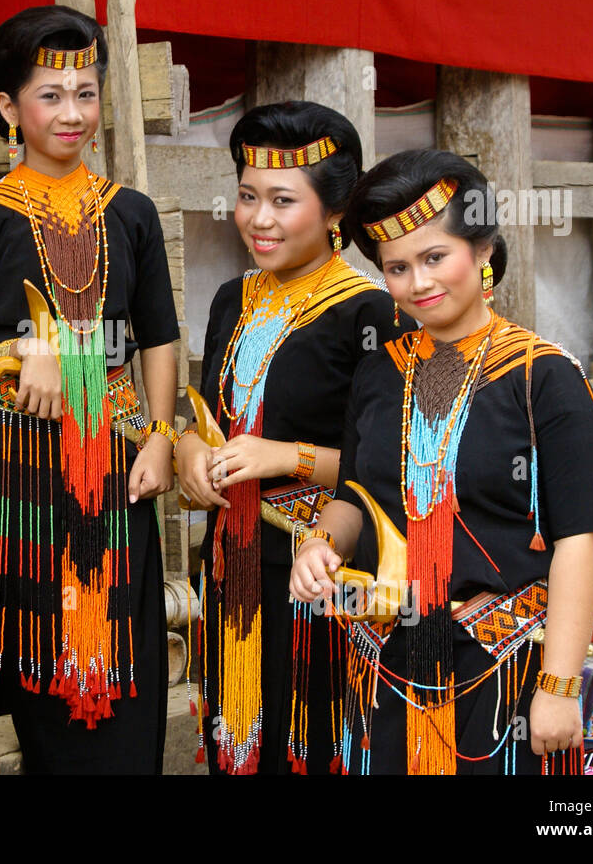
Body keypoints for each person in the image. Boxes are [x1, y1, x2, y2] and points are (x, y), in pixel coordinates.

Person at [290, 149, 593, 775]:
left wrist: (559, 685)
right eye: (398, 268)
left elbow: (578, 539)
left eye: (436, 257)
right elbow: (356, 495)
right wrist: (320, 543)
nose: (418, 284)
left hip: (504, 669)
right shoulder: (380, 373)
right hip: (389, 660)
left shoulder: (545, 379)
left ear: (483, 249)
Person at [0, 5, 179, 773]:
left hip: (118, 460)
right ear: (8, 107)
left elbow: (161, 337)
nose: (72, 112)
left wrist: (165, 436)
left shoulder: (132, 214)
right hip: (23, 477)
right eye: (49, 94)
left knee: (127, 651)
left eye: (86, 92)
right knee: (42, 656)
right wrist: (22, 349)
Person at [175, 102, 412, 775]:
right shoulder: (231, 297)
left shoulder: (374, 313)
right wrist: (191, 449)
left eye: (283, 200)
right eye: (248, 197)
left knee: (307, 744)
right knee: (235, 734)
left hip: (320, 566)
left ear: (337, 212)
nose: (259, 219)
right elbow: (210, 417)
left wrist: (285, 457)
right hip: (231, 558)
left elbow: (394, 468)